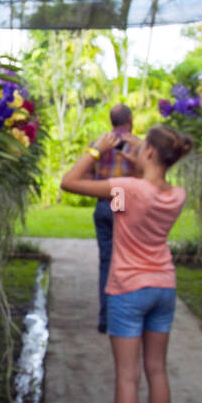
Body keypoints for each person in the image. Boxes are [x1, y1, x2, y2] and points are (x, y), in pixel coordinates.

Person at [60, 124, 194, 403]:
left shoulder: (126, 189)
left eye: (141, 146)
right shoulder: (175, 194)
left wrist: (96, 150)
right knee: (157, 371)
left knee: (128, 377)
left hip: (128, 289)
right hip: (163, 287)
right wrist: (139, 156)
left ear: (149, 151)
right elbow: (131, 200)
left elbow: (69, 182)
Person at [89, 105, 141, 334]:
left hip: (104, 203)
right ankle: (126, 318)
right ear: (129, 119)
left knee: (106, 262)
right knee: (129, 263)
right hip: (126, 205)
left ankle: (105, 318)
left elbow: (88, 176)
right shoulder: (138, 145)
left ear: (112, 121)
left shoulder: (98, 143)